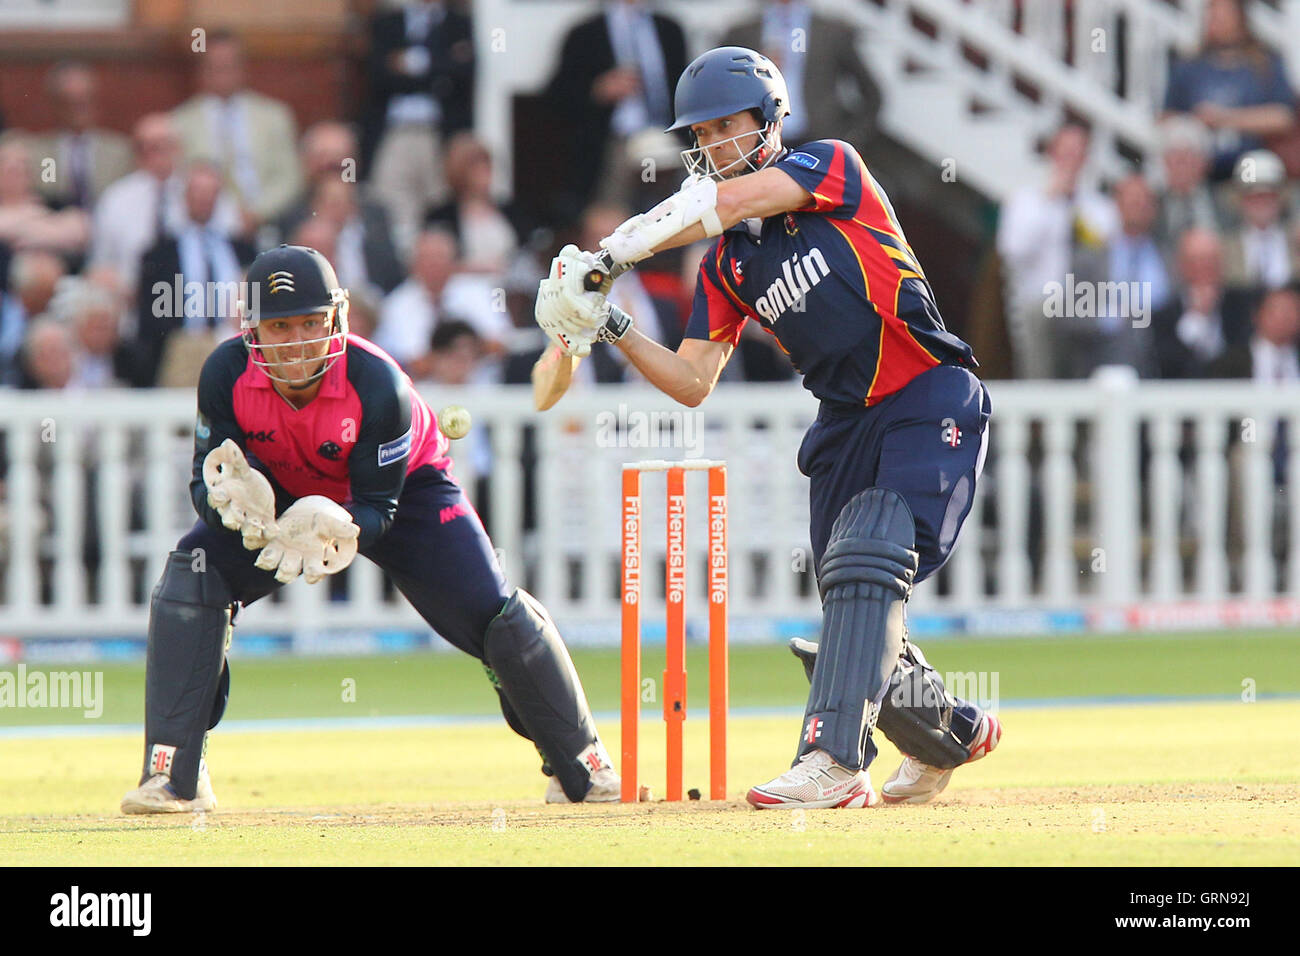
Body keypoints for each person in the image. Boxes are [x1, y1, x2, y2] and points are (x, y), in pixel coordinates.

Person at [532, 47, 1001, 808]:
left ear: (770, 120)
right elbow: (690, 382)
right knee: (856, 598)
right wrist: (610, 319)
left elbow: (735, 201)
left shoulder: (829, 167)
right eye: (703, 133)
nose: (716, 144)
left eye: (729, 126)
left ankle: (832, 762)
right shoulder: (725, 266)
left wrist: (610, 254)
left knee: (871, 547)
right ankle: (952, 732)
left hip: (927, 393)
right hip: (845, 424)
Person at [119, 244, 619, 814]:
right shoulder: (224, 372)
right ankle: (173, 774)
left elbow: (379, 512)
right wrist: (236, 511)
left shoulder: (380, 382)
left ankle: (581, 762)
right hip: (280, 489)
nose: (299, 341)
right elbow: (203, 483)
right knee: (190, 579)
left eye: (311, 322)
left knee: (493, 612)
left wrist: (334, 524)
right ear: (252, 329)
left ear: (337, 317)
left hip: (406, 492)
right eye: (280, 327)